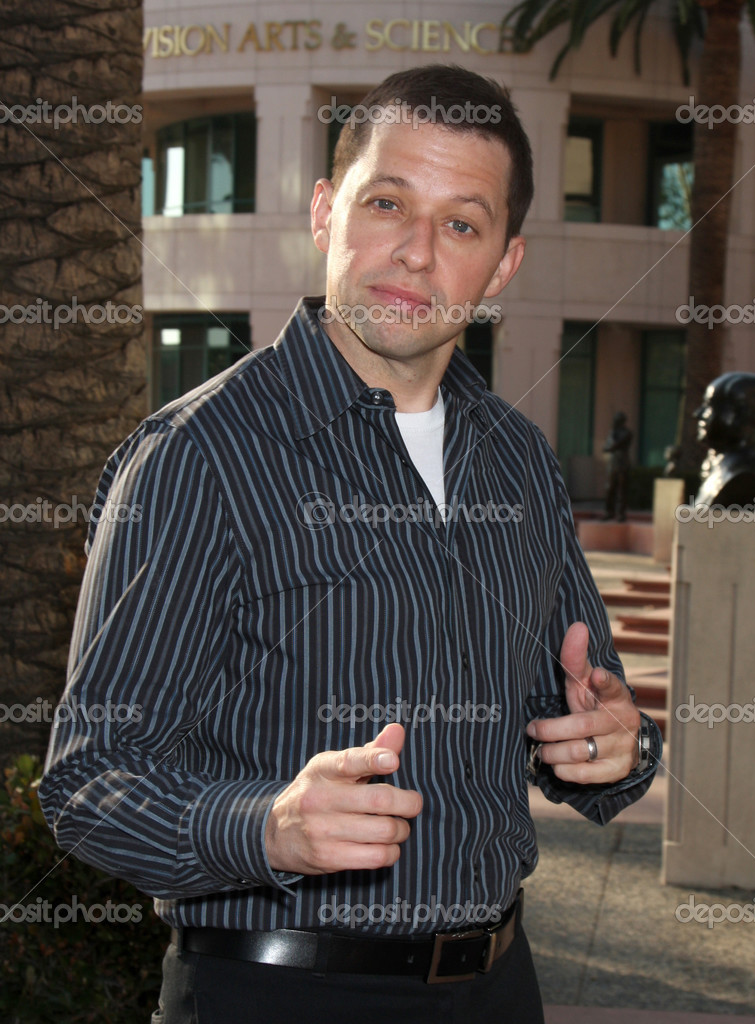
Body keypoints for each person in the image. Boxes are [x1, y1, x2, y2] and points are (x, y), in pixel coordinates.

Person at [39, 65, 661, 1024]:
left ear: (502, 266)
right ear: (326, 212)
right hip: (276, 992)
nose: (415, 253)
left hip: (499, 988)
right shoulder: (198, 458)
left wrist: (611, 747)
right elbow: (87, 781)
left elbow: (580, 714)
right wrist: (267, 829)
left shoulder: (518, 461)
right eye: (387, 203)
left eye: (460, 223)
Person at [693, 372, 755, 509]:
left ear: (735, 416)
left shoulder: (747, 481)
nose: (698, 414)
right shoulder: (723, 468)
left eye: (708, 406)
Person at [602, 412, 632, 522]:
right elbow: (606, 448)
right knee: (609, 488)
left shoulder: (627, 433)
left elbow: (614, 445)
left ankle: (621, 514)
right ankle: (609, 512)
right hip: (613, 464)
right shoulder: (613, 432)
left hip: (622, 464)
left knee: (621, 490)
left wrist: (612, 435)